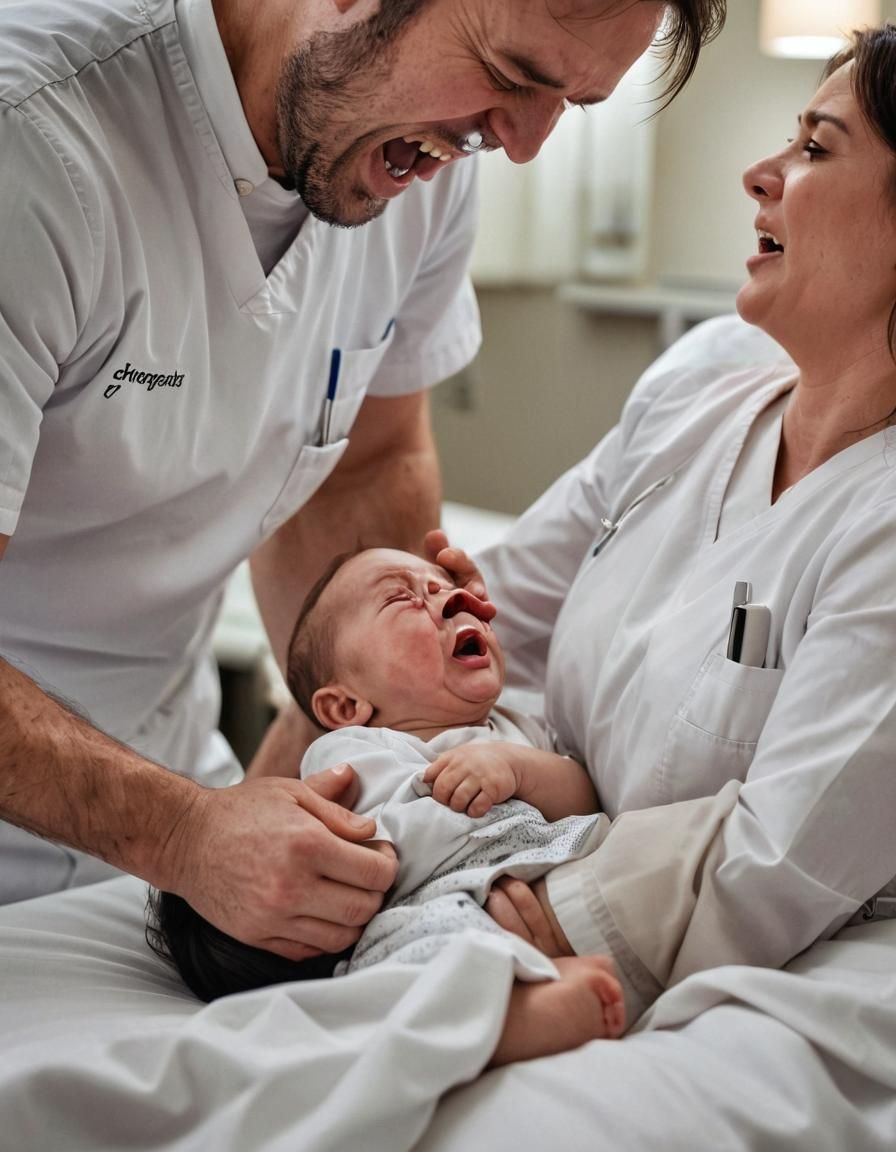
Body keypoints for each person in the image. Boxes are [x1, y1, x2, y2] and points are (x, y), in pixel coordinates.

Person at [0, 0, 725, 960]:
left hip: (169, 801)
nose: (521, 147)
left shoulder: (413, 166)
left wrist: (333, 793)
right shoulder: (34, 146)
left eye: (569, 105)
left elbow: (365, 469)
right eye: (513, 74)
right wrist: (181, 834)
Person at [430, 24, 896, 1041]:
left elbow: (781, 856)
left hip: (709, 992)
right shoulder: (695, 411)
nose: (758, 173)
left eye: (814, 149)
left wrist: (545, 906)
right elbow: (497, 621)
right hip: (494, 878)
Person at [148, 546, 626, 1066]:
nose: (448, 595)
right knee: (408, 949)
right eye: (402, 597)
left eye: (444, 585)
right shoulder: (353, 754)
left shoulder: (516, 728)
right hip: (438, 896)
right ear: (347, 706)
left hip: (560, 873)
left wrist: (515, 767)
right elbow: (372, 853)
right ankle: (511, 1020)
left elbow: (581, 796)